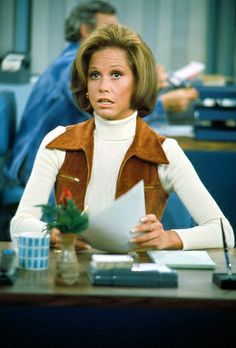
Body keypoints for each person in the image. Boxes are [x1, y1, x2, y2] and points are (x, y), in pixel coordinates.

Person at [10, 24, 234, 251]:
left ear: (138, 82)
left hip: (135, 278)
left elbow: (224, 232)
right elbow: (19, 224)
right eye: (95, 75)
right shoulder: (58, 141)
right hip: (71, 274)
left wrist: (167, 238)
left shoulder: (165, 151)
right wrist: (55, 235)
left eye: (116, 75)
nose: (103, 87)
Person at [3, 0, 198, 189]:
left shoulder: (71, 61)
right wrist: (162, 104)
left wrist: (147, 84)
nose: (116, 34)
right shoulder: (72, 66)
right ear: (86, 31)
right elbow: (108, 113)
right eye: (110, 27)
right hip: (34, 167)